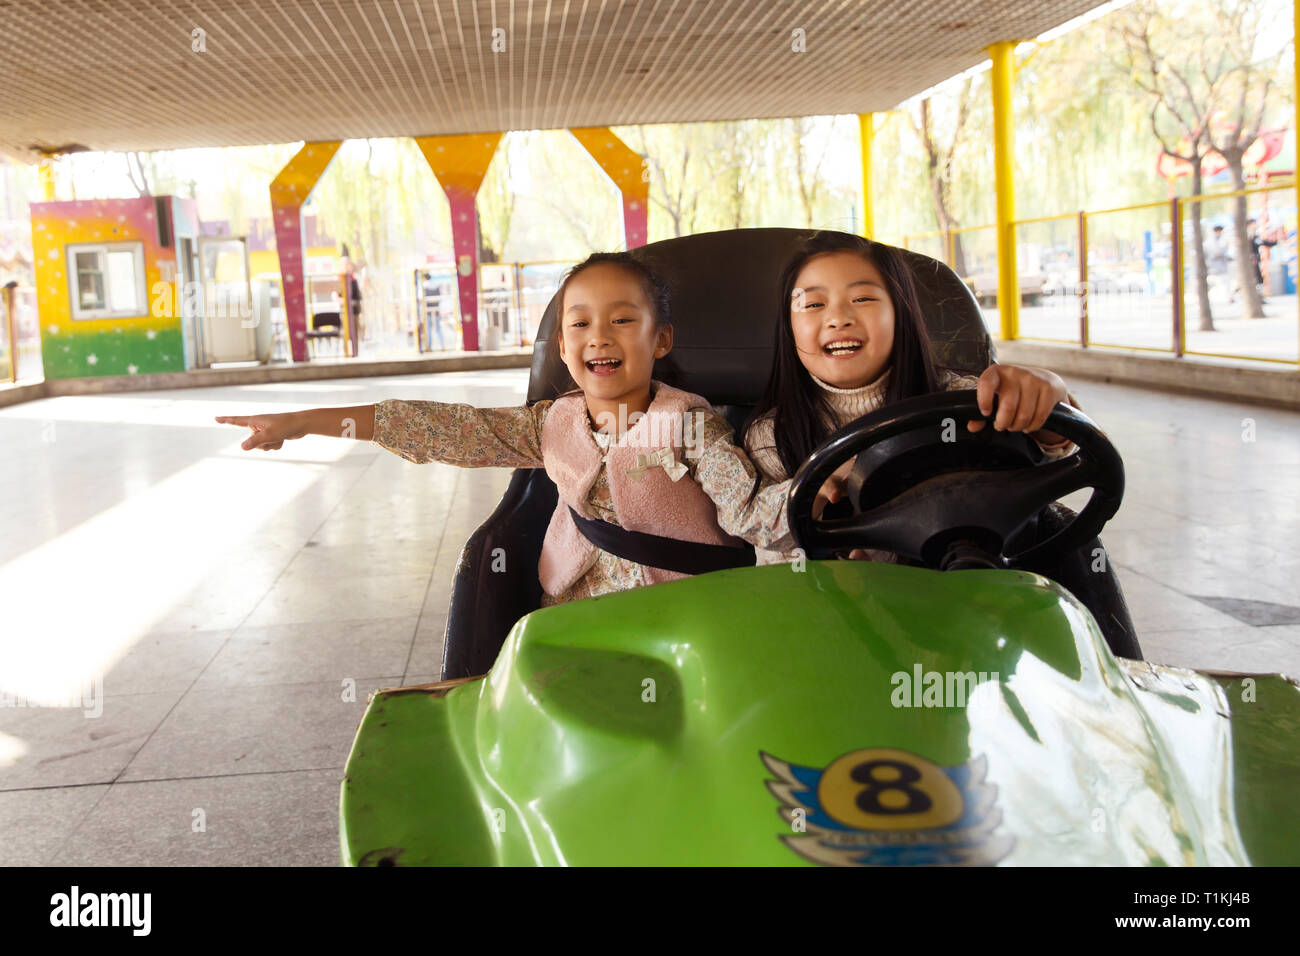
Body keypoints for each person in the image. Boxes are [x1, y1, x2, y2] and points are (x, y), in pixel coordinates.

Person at [215, 252, 794, 607]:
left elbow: (747, 511)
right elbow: (440, 428)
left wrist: (816, 500)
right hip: (575, 612)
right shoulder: (552, 424)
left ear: (659, 340)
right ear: (563, 346)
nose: (601, 336)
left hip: (688, 607)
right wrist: (304, 423)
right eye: (581, 323)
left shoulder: (690, 425)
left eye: (623, 320)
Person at [742, 231, 1141, 659]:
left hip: (978, 613)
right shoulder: (771, 437)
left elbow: (1048, 449)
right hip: (845, 632)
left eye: (862, 299)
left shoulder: (968, 398)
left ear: (901, 312)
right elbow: (771, 547)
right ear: (789, 326)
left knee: (1060, 523)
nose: (838, 318)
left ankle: (1117, 676)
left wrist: (1047, 401)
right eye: (813, 303)